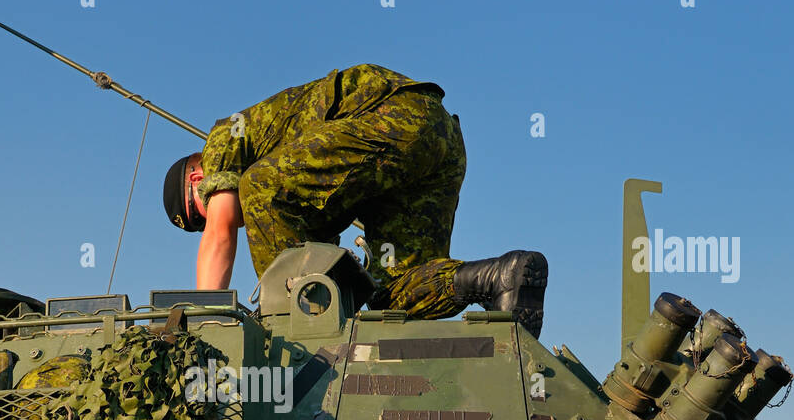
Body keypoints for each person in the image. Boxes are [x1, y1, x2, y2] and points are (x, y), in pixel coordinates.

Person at [163, 63, 548, 336]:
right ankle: (497, 277)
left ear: (198, 178)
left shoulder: (223, 142)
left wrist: (204, 326)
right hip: (438, 142)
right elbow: (314, 268)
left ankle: (289, 332)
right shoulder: (305, 200)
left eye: (200, 214)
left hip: (394, 114)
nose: (208, 221)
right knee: (391, 300)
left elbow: (221, 230)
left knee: (259, 186)